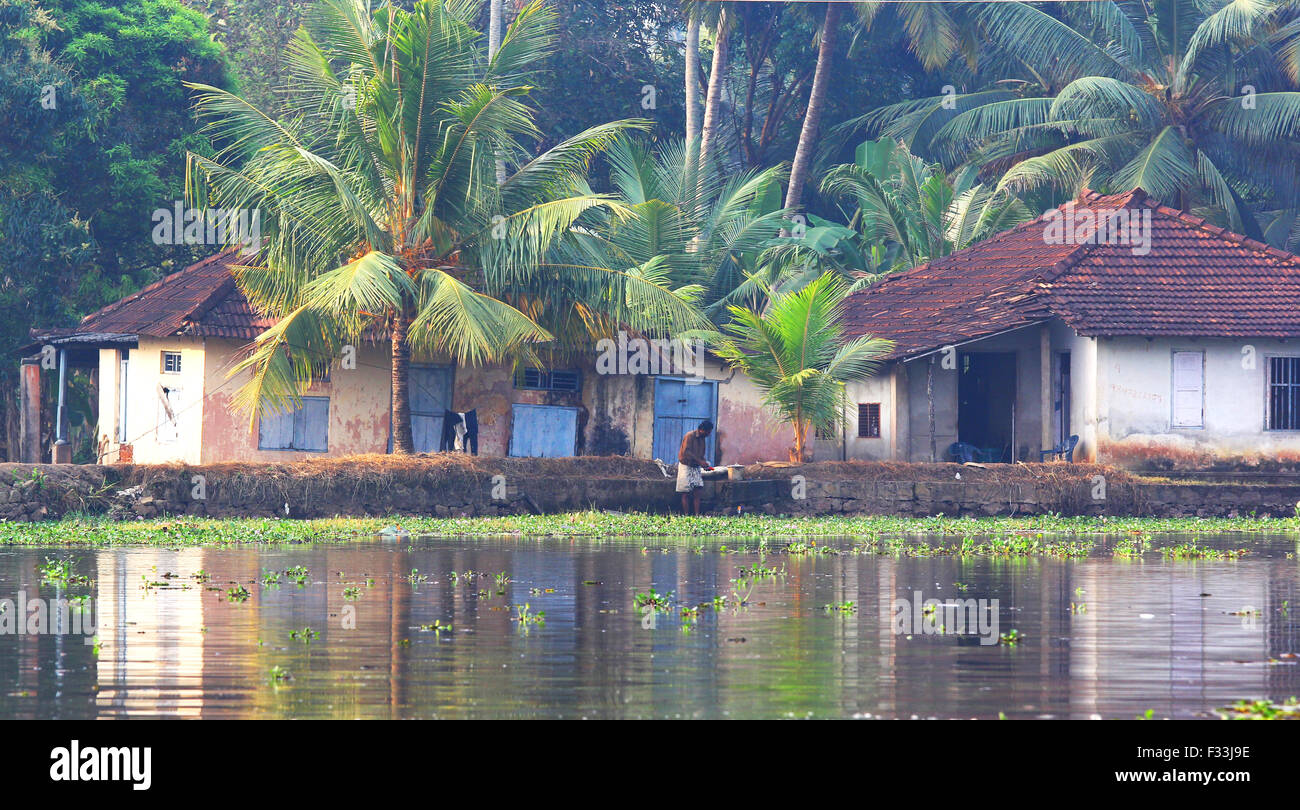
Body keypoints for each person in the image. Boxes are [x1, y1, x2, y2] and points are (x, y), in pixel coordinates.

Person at [676, 420, 714, 516]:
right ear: (702, 430)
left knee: (698, 491)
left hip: (695, 467)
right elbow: (686, 452)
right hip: (686, 466)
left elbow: (701, 455)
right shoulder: (690, 436)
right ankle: (686, 515)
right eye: (708, 432)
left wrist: (705, 464)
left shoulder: (702, 438)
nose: (709, 434)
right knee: (685, 492)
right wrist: (700, 461)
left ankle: (697, 515)